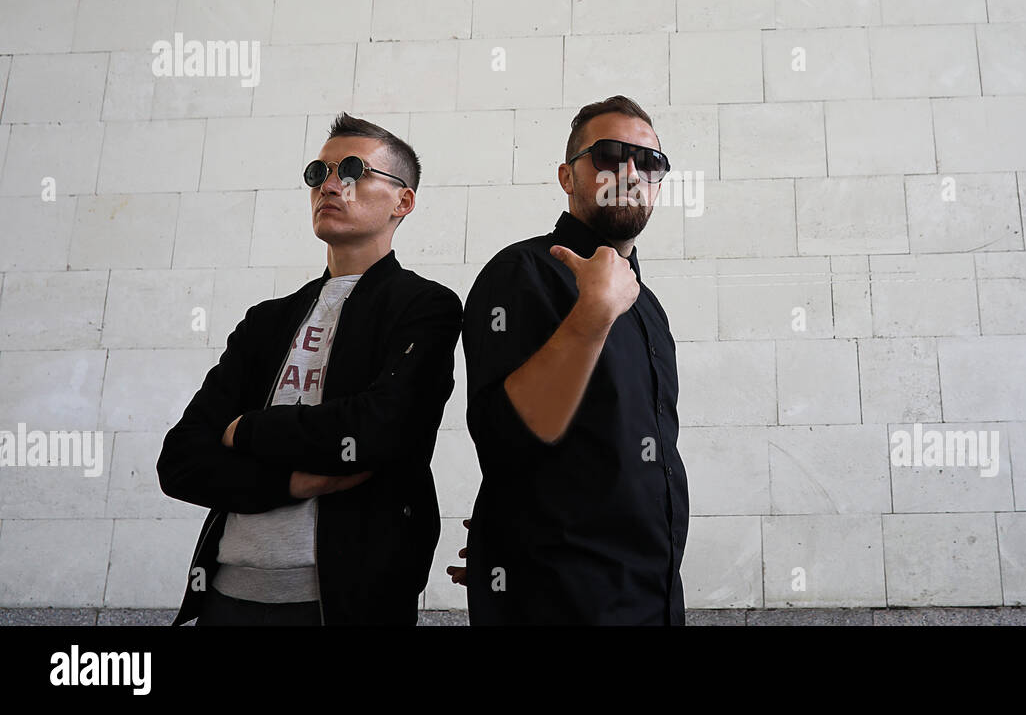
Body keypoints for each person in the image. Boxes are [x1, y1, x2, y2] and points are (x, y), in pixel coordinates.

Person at [157, 113, 463, 625]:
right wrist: (294, 483)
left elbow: (380, 432)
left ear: (402, 201)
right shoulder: (267, 320)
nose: (330, 185)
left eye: (352, 170)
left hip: (349, 601)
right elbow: (181, 459)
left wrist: (247, 429)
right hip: (227, 598)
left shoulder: (424, 306)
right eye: (318, 173)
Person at [452, 95, 689, 624]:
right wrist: (593, 313)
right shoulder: (520, 272)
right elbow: (505, 436)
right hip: (558, 603)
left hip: (653, 596)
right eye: (607, 155)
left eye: (648, 162)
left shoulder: (649, 309)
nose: (629, 171)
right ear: (567, 175)